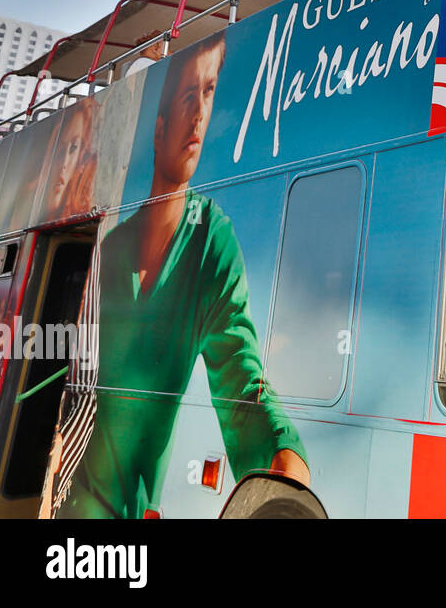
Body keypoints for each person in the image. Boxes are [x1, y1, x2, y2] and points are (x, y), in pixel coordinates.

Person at [50, 34, 308, 518]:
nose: (198, 114)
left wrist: (284, 470)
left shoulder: (211, 242)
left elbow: (241, 381)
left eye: (208, 92)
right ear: (158, 124)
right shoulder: (109, 249)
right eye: (188, 94)